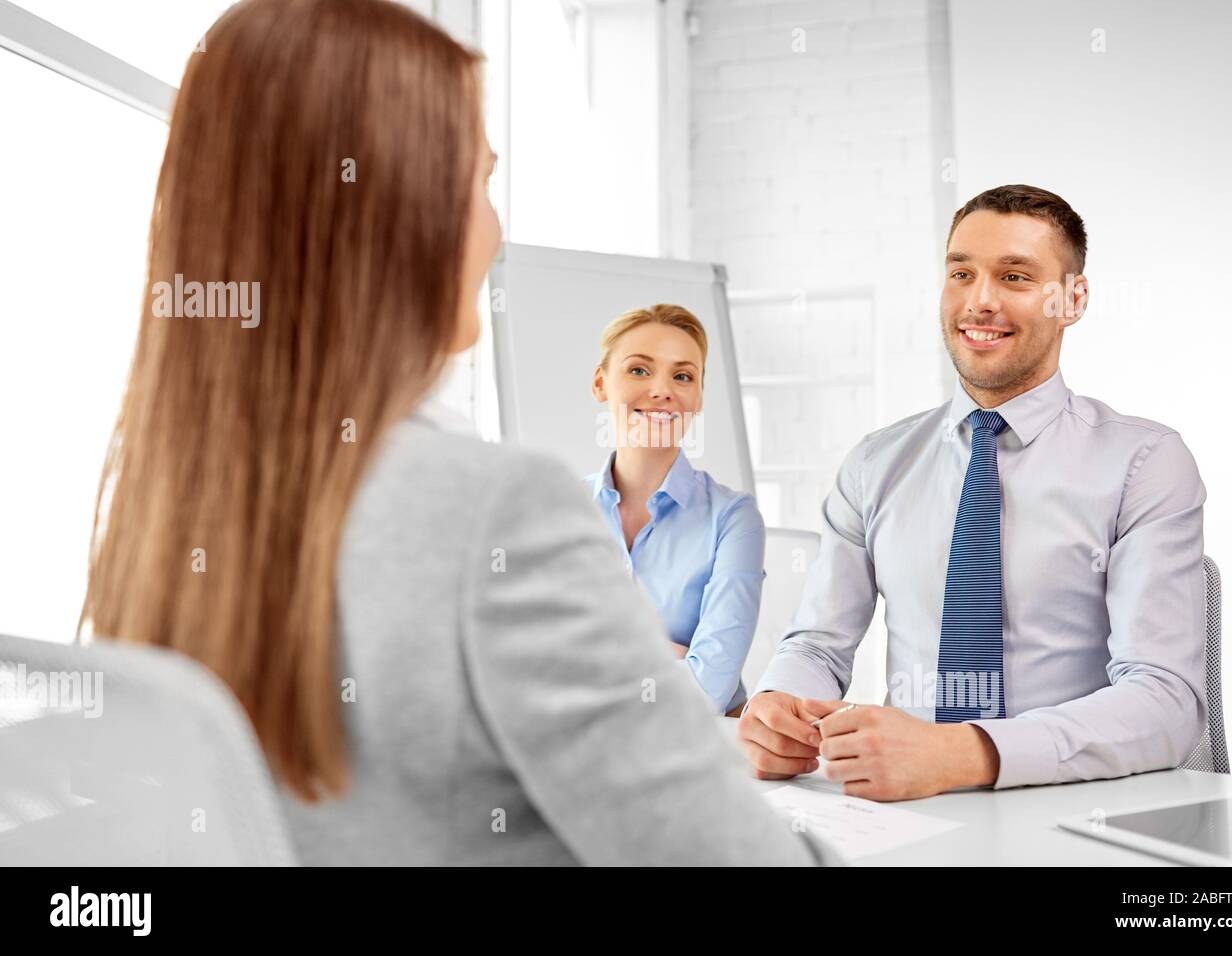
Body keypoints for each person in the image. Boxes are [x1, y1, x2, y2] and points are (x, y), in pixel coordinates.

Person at [80, 0, 835, 866]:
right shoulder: (499, 510)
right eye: (478, 183)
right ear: (396, 213)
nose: (494, 232)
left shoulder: (156, 509)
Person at [739, 185, 1208, 802]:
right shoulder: (875, 464)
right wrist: (779, 704)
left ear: (1072, 298)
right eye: (961, 273)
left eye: (1014, 276)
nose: (979, 301)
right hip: (901, 805)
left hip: (1068, 808)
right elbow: (817, 645)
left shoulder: (1144, 463)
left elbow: (1166, 703)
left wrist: (965, 753)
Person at [585, 305, 764, 716]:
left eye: (682, 376)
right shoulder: (555, 510)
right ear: (600, 383)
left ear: (698, 397)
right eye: (639, 370)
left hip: (691, 753)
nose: (662, 390)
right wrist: (670, 655)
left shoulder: (733, 518)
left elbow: (709, 689)